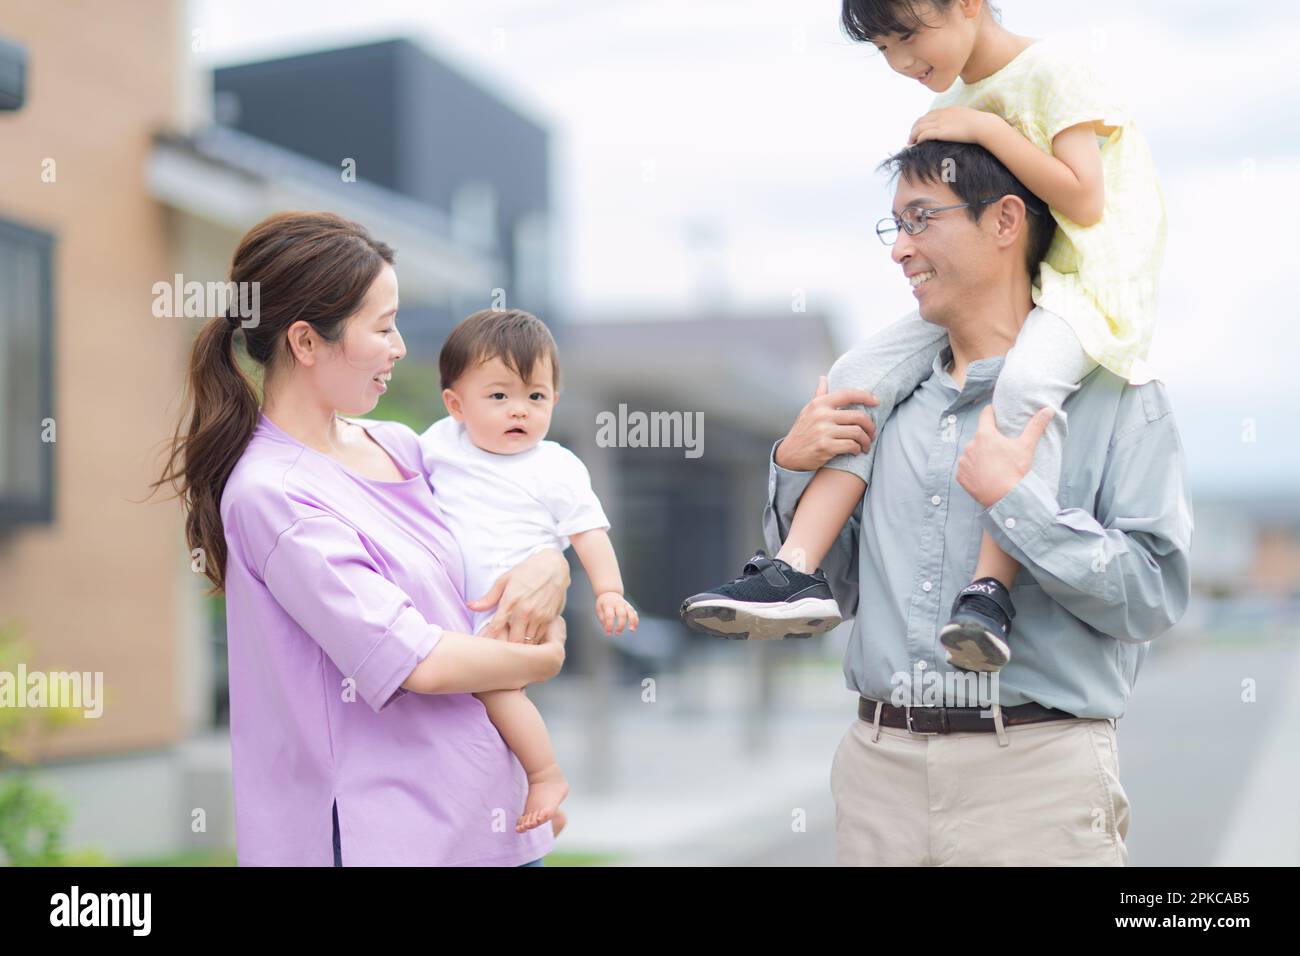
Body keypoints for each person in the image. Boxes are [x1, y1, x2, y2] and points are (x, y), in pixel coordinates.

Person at [682, 0, 1166, 674]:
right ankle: (795, 569)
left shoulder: (1052, 69)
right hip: (1030, 277)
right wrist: (791, 462)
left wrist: (983, 131)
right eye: (883, 48)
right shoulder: (962, 98)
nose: (902, 62)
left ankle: (989, 591)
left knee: (1022, 388)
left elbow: (1084, 200)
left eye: (907, 35)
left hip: (1082, 288)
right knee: (856, 372)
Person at [758, 140, 1191, 865]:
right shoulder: (877, 404)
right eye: (893, 226)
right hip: (878, 775)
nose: (899, 250)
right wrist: (791, 466)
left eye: (921, 219)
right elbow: (829, 592)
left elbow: (1150, 599)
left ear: (1006, 221)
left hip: (1036, 780)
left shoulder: (1120, 396)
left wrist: (1018, 505)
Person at [154, 211, 569, 866]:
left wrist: (552, 564)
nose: (400, 347)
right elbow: (415, 661)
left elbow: (507, 525)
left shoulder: (400, 447)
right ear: (306, 341)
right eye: (382, 327)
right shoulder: (274, 495)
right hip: (393, 839)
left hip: (495, 823)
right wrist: (542, 661)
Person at [420, 307, 638, 835]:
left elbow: (589, 532)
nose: (520, 409)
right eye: (498, 396)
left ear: (554, 401)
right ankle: (529, 792)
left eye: (536, 396)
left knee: (499, 696)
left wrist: (609, 590)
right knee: (475, 716)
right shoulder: (436, 446)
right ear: (456, 404)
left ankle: (546, 776)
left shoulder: (555, 466)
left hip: (512, 613)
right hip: (454, 612)